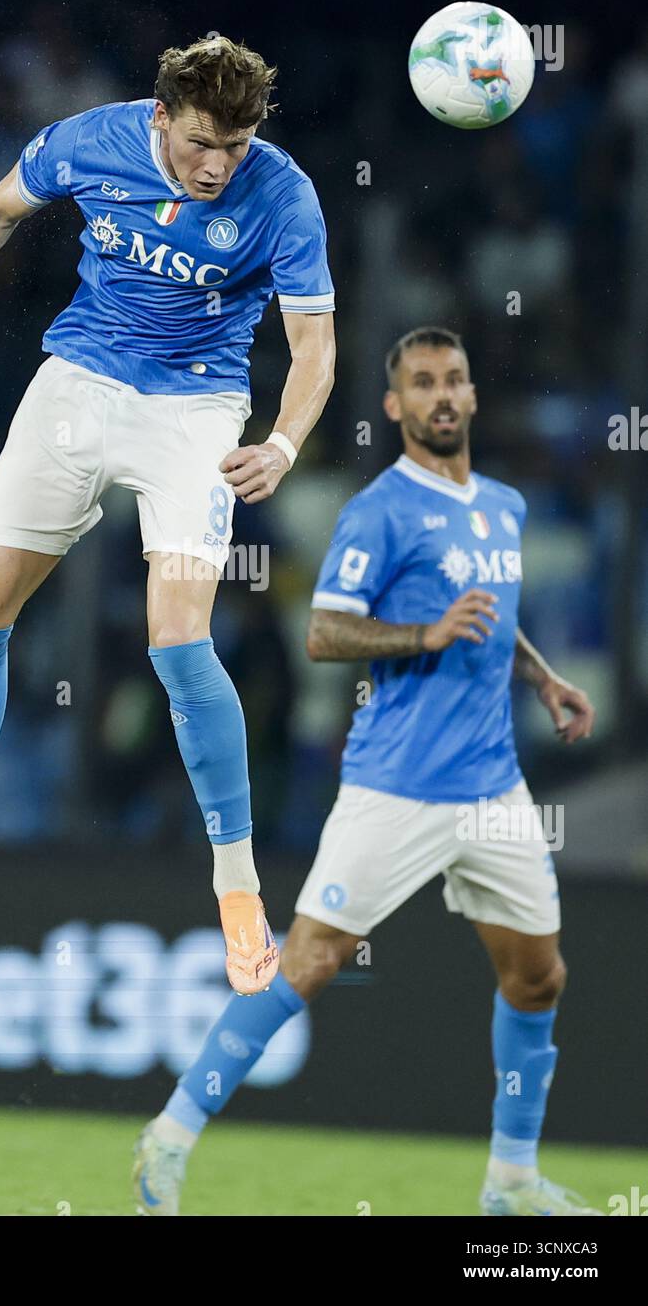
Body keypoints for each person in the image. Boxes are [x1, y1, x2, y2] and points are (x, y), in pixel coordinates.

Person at [0, 34, 337, 996]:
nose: (217, 165)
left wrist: (281, 443)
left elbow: (313, 343)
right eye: (201, 141)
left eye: (234, 146)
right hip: (76, 383)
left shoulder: (282, 193)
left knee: (178, 637)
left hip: (194, 407)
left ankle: (238, 889)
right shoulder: (90, 140)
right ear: (160, 119)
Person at [133, 326, 601, 1214]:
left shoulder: (503, 504)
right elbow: (324, 631)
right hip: (396, 784)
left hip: (494, 787)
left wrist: (540, 677)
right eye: (421, 383)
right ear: (395, 406)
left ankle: (511, 1181)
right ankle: (171, 1133)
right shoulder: (380, 512)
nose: (441, 395)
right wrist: (421, 635)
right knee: (308, 962)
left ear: (470, 395)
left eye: (454, 380)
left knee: (539, 975)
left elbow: (489, 615)